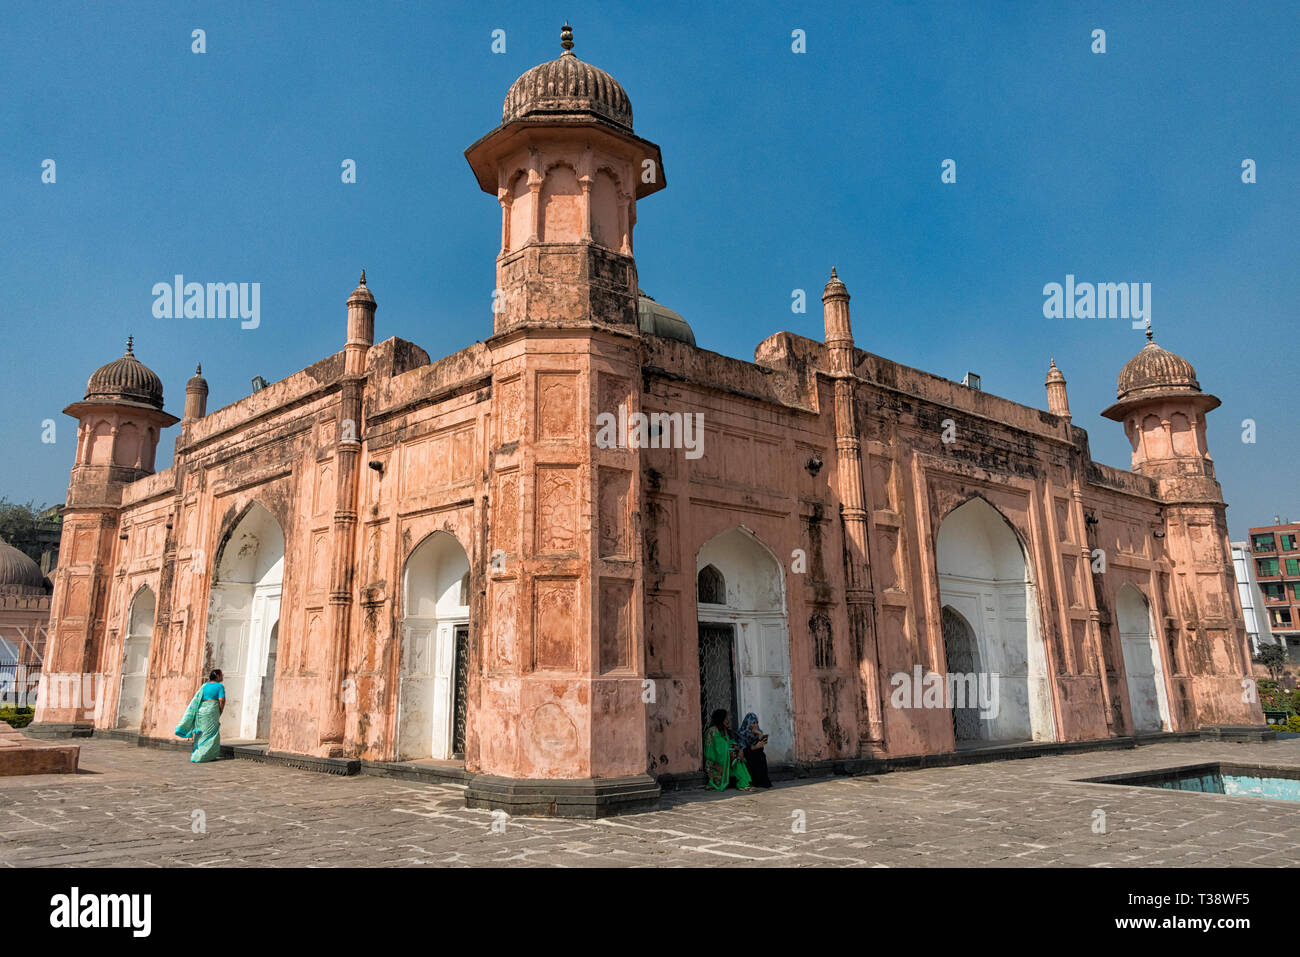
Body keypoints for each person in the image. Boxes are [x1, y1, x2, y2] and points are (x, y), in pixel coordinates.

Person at [175, 669, 224, 763]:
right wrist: (220, 710)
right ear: (217, 676)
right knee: (211, 733)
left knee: (201, 733)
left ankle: (197, 754)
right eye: (221, 675)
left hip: (201, 711)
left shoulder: (204, 686)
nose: (222, 676)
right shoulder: (219, 686)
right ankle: (207, 755)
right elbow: (221, 700)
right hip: (211, 710)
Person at [703, 709, 753, 791]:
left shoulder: (723, 731)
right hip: (714, 761)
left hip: (724, 757)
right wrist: (733, 748)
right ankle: (744, 784)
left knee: (738, 759)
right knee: (734, 757)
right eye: (726, 719)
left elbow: (729, 743)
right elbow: (719, 748)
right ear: (721, 719)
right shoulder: (712, 731)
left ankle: (744, 783)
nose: (728, 721)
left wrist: (739, 749)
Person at [737, 712, 772, 788]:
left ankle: (762, 781)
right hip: (746, 754)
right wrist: (755, 747)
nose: (756, 725)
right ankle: (753, 781)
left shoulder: (758, 731)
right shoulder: (741, 733)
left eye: (757, 723)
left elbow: (760, 748)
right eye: (753, 723)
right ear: (748, 723)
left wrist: (760, 735)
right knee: (754, 756)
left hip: (755, 752)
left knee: (761, 755)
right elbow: (743, 748)